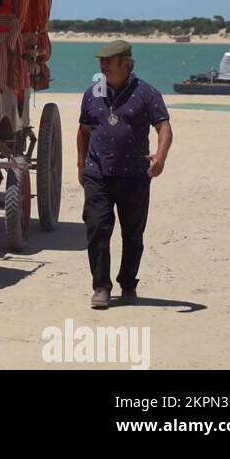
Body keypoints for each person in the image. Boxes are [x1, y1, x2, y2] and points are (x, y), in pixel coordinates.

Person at [78, 40, 173, 309]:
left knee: (132, 234)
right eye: (101, 62)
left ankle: (128, 283)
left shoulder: (147, 93)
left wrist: (160, 156)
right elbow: (84, 132)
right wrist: (80, 164)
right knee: (97, 228)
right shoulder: (92, 94)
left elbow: (164, 128)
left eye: (109, 61)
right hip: (98, 174)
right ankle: (101, 287)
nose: (103, 66)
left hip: (134, 176)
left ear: (126, 64)